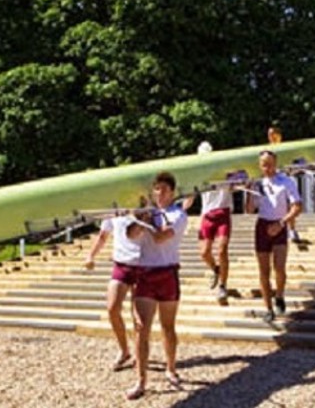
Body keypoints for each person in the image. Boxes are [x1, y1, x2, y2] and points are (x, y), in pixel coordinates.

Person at [126, 172, 188, 401]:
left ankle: (170, 368)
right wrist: (140, 218)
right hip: (145, 273)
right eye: (156, 189)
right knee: (141, 328)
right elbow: (132, 235)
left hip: (168, 271)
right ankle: (140, 380)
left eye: (163, 189)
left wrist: (149, 220)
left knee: (167, 327)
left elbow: (162, 238)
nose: (159, 193)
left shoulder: (178, 214)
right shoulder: (148, 214)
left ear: (172, 192)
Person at [84, 211, 151, 371]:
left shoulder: (145, 209)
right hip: (121, 265)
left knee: (138, 318)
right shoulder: (113, 211)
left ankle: (139, 353)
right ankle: (124, 350)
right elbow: (103, 236)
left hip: (142, 265)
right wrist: (90, 256)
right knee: (112, 308)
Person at [245, 151, 302, 322]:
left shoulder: (286, 182)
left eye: (270, 164)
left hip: (279, 224)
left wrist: (282, 223)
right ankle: (268, 308)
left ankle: (280, 294)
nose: (267, 168)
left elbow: (297, 207)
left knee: (279, 268)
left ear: (275, 163)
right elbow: (249, 210)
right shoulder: (258, 184)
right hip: (262, 225)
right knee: (264, 271)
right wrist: (249, 191)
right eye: (264, 164)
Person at [183, 141, 232, 304]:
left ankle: (223, 286)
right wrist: (182, 210)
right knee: (204, 252)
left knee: (222, 249)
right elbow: (190, 196)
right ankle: (216, 270)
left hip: (223, 212)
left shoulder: (224, 171)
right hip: (207, 215)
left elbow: (237, 182)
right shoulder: (198, 175)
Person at [267, 125, 301, 243]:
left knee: (290, 205)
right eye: (270, 135)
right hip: (273, 180)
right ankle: (282, 229)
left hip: (285, 178)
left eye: (273, 134)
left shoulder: (285, 148)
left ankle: (292, 230)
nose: (271, 137)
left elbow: (291, 162)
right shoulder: (267, 150)